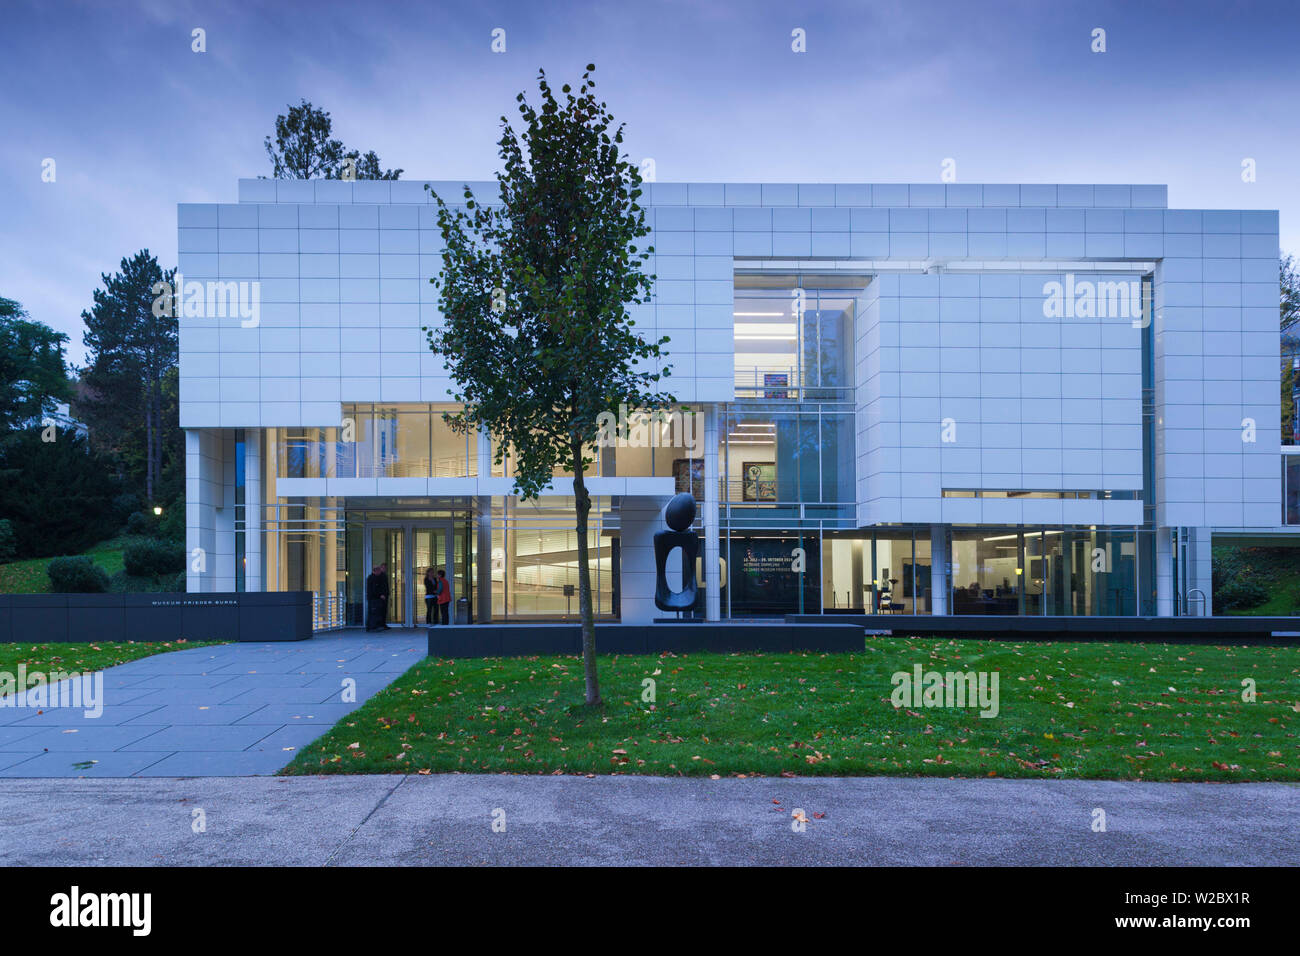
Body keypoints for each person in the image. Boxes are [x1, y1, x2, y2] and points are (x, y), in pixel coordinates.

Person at [364, 566, 384, 631]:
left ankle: (370, 626)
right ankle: (373, 627)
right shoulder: (373, 578)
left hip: (372, 598)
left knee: (372, 612)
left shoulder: (370, 578)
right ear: (375, 571)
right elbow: (374, 589)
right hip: (374, 599)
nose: (380, 573)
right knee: (374, 613)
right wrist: (380, 595)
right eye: (379, 571)